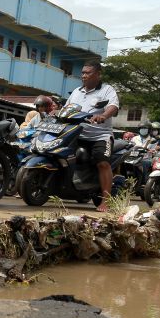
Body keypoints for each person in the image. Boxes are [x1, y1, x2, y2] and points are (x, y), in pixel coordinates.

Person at [65, 60, 119, 212]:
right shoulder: (76, 92)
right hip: (77, 134)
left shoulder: (107, 90)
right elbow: (67, 108)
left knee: (102, 163)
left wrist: (103, 115)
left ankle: (106, 201)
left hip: (100, 135)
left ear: (98, 74)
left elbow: (113, 107)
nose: (83, 76)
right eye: (82, 72)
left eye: (87, 73)